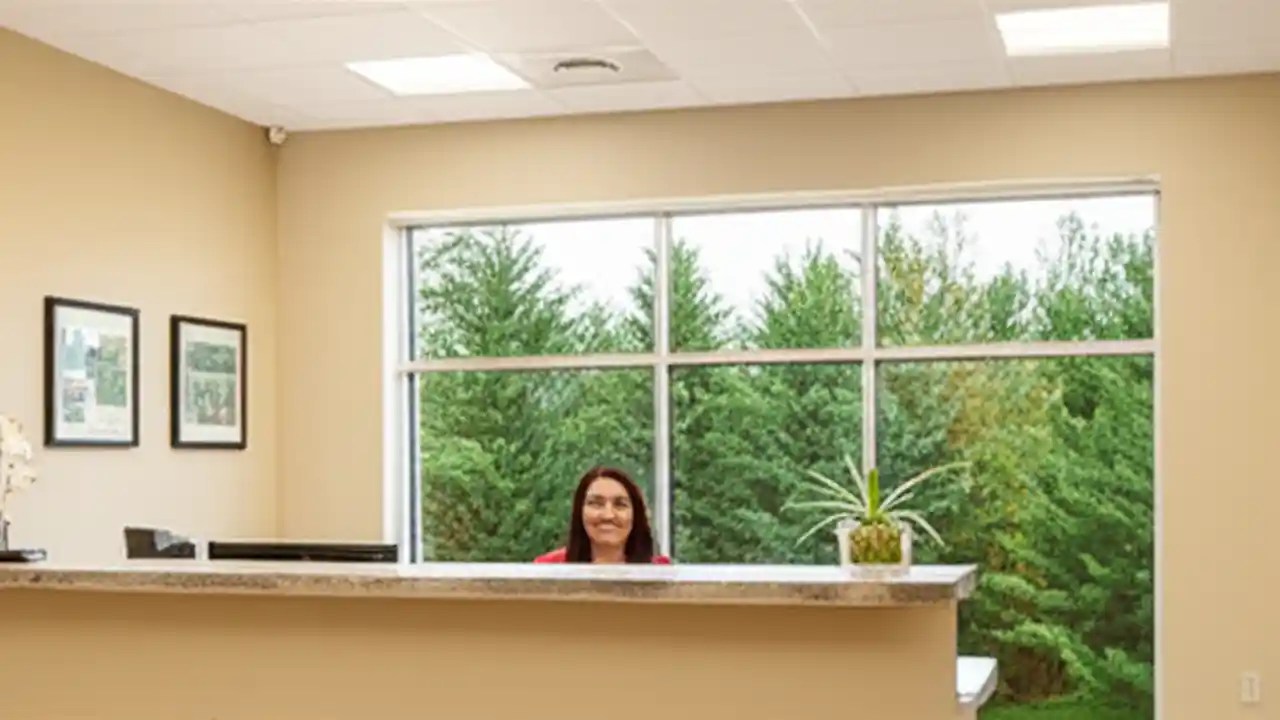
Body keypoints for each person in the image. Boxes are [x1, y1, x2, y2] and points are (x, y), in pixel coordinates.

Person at [534, 466, 671, 564]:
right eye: (596, 503)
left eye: (620, 504)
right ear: (579, 512)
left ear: (636, 514)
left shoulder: (660, 573)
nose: (608, 515)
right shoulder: (548, 569)